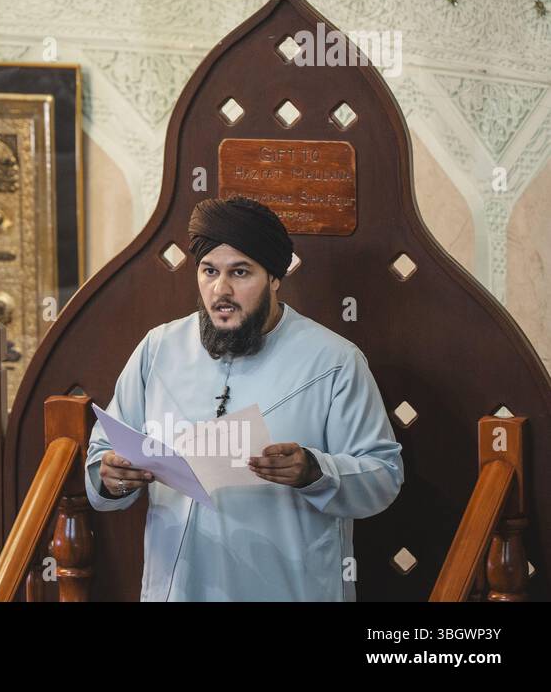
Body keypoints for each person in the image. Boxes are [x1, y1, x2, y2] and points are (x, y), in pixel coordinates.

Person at [86, 196, 404, 601]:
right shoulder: (157, 349)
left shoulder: (335, 361)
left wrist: (314, 470)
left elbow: (383, 475)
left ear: (274, 276)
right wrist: (112, 478)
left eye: (240, 272)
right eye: (209, 271)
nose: (221, 290)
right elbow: (100, 460)